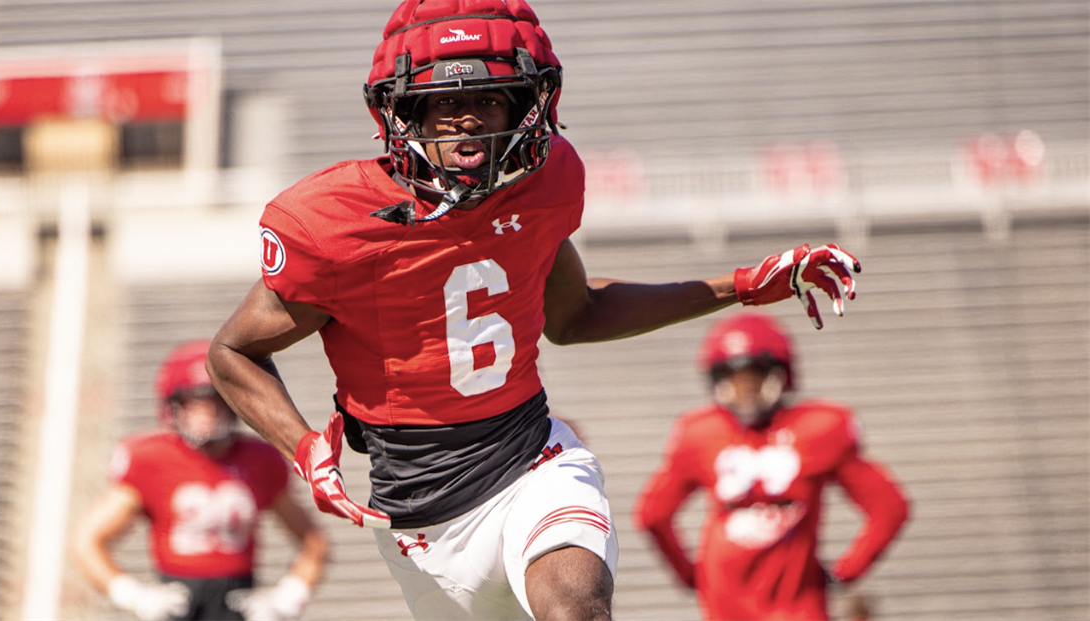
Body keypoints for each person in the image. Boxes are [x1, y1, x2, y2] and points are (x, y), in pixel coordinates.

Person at [206, 1, 861, 620]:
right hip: (417, 513)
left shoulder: (548, 182)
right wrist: (303, 448)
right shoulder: (331, 221)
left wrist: (739, 285)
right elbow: (233, 351)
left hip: (532, 462)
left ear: (527, 102)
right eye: (445, 103)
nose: (467, 120)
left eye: (488, 97)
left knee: (576, 607)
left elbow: (574, 315)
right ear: (402, 112)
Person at [633, 312, 909, 621]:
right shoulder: (700, 433)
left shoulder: (818, 427)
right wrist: (691, 577)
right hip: (731, 607)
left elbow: (889, 508)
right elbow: (652, 515)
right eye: (735, 379)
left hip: (793, 605)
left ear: (780, 374)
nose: (745, 390)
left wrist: (847, 570)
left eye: (754, 376)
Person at [70, 340, 329, 621]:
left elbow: (314, 542)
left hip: (237, 600)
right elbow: (87, 541)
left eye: (216, 401)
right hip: (177, 601)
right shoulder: (149, 458)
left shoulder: (259, 458)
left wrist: (287, 598)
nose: (208, 414)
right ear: (173, 406)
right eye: (195, 403)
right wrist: (133, 594)